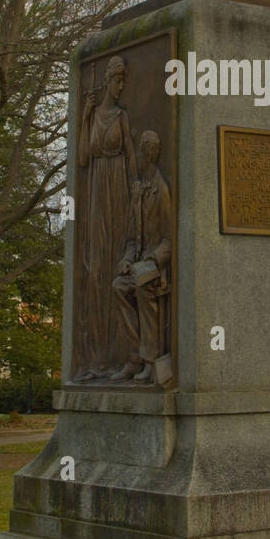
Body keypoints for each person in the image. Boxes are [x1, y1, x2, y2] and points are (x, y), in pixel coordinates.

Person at [77, 56, 137, 379]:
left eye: (123, 80)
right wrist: (85, 118)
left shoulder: (122, 117)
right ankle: (97, 356)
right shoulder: (94, 114)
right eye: (117, 80)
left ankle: (121, 352)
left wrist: (135, 194)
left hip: (119, 190)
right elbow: (84, 158)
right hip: (98, 191)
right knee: (97, 268)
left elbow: (129, 155)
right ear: (107, 81)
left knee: (117, 261)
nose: (121, 85)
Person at [109, 130, 173, 383]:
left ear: (148, 155)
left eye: (141, 151)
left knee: (142, 285)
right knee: (118, 287)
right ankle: (134, 357)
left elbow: (169, 240)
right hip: (137, 264)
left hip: (156, 266)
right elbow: (132, 239)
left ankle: (150, 359)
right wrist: (126, 260)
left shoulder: (162, 190)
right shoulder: (137, 189)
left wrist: (151, 261)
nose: (138, 155)